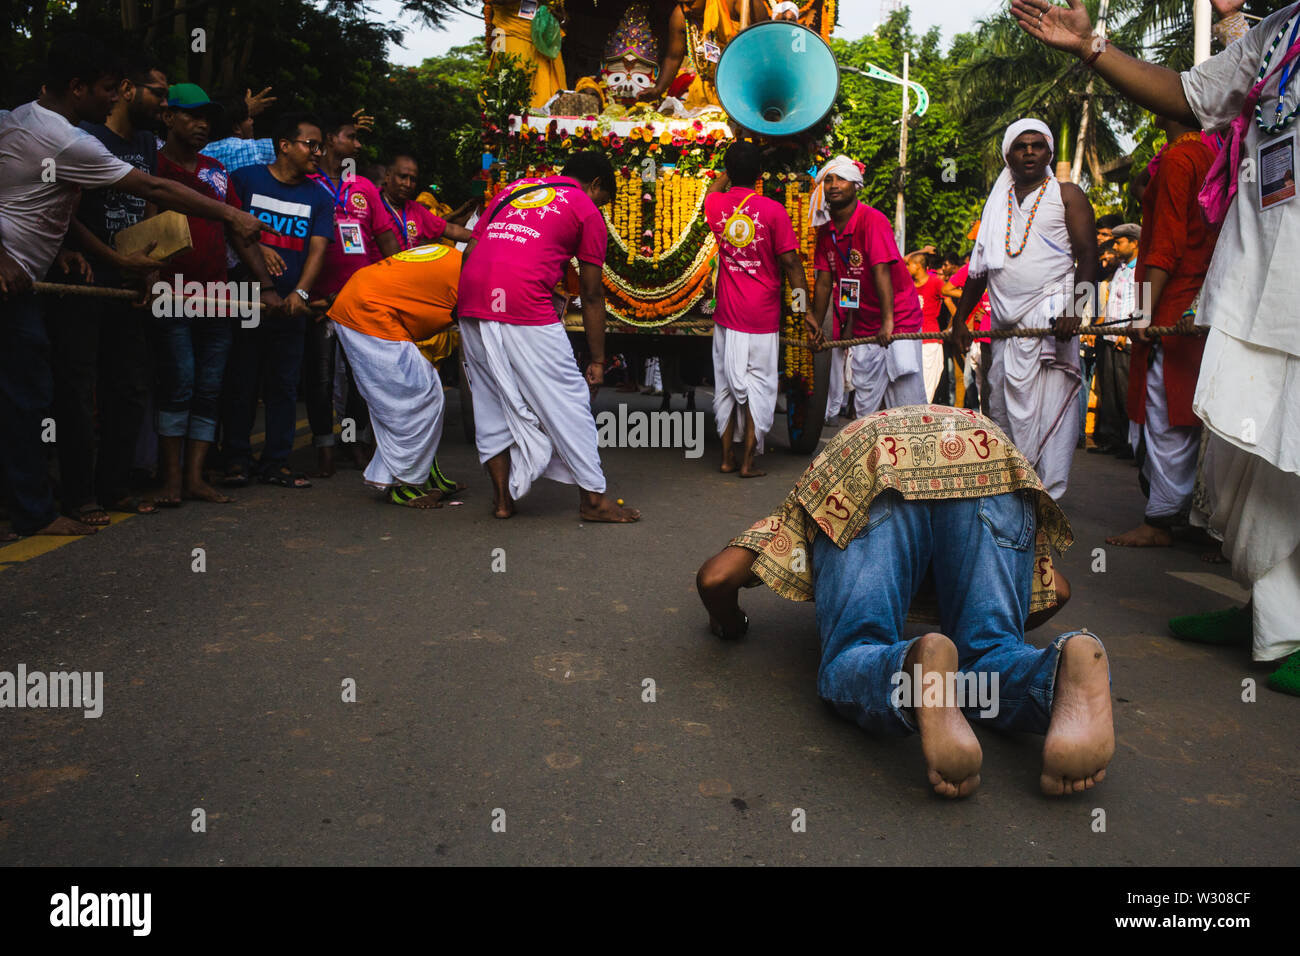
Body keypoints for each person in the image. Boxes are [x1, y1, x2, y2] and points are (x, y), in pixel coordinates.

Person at [1010, 0, 1300, 693]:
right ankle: (1273, 611)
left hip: (1274, 295)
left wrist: (1132, 309)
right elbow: (1191, 92)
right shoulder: (1277, 33)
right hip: (1251, 281)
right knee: (1247, 463)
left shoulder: (1172, 164)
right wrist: (1090, 49)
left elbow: (1140, 250)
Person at [695, 405, 1113, 799]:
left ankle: (914, 667)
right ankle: (1059, 671)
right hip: (988, 454)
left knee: (855, 649)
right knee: (990, 652)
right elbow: (1056, 591)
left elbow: (715, 578)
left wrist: (732, 625)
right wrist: (982, 613)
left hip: (870, 459)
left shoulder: (811, 499)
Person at [0, 33, 266, 539]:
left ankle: (34, 504)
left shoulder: (24, 118)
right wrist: (232, 212)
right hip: (14, 281)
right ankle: (34, 511)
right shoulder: (68, 139)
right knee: (29, 397)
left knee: (29, 395)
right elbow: (154, 188)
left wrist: (115, 259)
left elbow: (64, 220)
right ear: (77, 88)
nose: (117, 95)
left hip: (27, 281)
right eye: (108, 88)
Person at [456, 151, 639, 523]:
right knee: (569, 399)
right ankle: (592, 500)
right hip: (522, 301)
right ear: (597, 185)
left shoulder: (513, 189)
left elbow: (471, 251)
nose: (599, 206)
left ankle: (503, 501)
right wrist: (598, 361)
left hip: (472, 298)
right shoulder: (585, 208)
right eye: (603, 199)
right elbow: (591, 295)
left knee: (489, 402)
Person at [46, 52, 170, 525]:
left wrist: (151, 265)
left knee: (131, 385)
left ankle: (114, 485)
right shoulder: (84, 136)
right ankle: (79, 495)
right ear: (126, 90)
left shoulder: (146, 141)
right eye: (157, 92)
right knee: (77, 387)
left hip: (130, 282)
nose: (164, 103)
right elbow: (66, 213)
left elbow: (152, 202)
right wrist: (109, 258)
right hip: (84, 278)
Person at [953, 120, 1098, 500]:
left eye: (1038, 145)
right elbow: (979, 270)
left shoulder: (1066, 195)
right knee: (1002, 405)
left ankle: (1047, 493)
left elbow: (1088, 257)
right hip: (1005, 326)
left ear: (1049, 153)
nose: (1030, 151)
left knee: (1050, 410)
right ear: (1009, 154)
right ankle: (1015, 487)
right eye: (1022, 146)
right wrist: (959, 319)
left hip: (1051, 320)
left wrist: (1076, 309)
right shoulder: (996, 204)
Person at [1107, 119, 1220, 548]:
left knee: (1167, 419)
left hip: (1173, 310)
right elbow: (1143, 189)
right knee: (1189, 419)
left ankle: (1160, 521)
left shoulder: (1179, 159)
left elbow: (1166, 246)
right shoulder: (1213, 154)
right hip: (1200, 307)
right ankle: (1193, 518)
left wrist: (1144, 313)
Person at [153, 83, 267, 507]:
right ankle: (170, 480)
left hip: (218, 295)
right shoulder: (153, 167)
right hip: (171, 292)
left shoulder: (216, 170)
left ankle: (196, 478)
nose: (202, 124)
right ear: (168, 117)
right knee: (179, 383)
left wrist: (267, 288)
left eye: (207, 118)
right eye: (192, 115)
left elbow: (241, 233)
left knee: (209, 386)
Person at [221, 113, 335, 490]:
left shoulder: (319, 196)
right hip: (246, 299)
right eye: (310, 144)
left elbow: (317, 249)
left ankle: (276, 462)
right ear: (284, 145)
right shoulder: (246, 179)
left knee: (284, 385)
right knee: (241, 379)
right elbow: (234, 231)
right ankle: (236, 460)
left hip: (292, 307)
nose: (318, 152)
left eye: (320, 146)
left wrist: (300, 294)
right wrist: (264, 280)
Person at [704, 142, 815, 477]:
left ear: (729, 171)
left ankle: (726, 458)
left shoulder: (716, 205)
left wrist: (732, 170)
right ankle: (749, 462)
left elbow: (713, 187)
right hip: (762, 319)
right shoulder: (773, 211)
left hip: (726, 316)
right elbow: (793, 265)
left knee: (725, 384)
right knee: (759, 385)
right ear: (759, 176)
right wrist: (803, 311)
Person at [328, 243, 466, 507]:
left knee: (425, 395)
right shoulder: (475, 276)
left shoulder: (459, 258)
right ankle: (404, 484)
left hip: (367, 302)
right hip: (367, 311)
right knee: (411, 400)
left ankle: (424, 475)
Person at [304, 113, 402, 479]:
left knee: (362, 377)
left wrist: (400, 283)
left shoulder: (362, 186)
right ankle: (324, 447)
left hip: (359, 298)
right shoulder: (307, 181)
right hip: (316, 298)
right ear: (330, 138)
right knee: (321, 375)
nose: (357, 145)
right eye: (351, 137)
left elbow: (387, 240)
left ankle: (353, 443)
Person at [811, 156, 927, 417]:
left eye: (841, 178)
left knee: (908, 404)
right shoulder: (826, 231)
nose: (834, 185)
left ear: (856, 185)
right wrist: (818, 327)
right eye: (828, 179)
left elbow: (880, 272)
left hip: (899, 320)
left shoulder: (871, 220)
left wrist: (888, 323)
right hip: (865, 325)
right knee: (865, 407)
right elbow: (829, 283)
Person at [644, 0, 771, 109]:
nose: (686, 8)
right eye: (682, 3)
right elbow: (673, 58)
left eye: (690, 3)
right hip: (703, 94)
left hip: (743, 90)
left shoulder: (735, 4)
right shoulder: (681, 14)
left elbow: (766, 39)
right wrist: (658, 89)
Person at [1090, 222, 1139, 458]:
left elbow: (1143, 306)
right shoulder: (1120, 269)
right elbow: (1111, 303)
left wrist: (1124, 332)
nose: (1116, 247)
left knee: (1125, 391)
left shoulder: (1141, 270)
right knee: (1108, 390)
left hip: (1125, 339)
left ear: (1134, 243)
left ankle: (1130, 444)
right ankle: (1113, 440)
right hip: (1109, 336)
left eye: (1120, 242)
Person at [380, 153, 473, 250]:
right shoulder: (371, 202)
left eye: (413, 180)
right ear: (387, 176)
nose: (408, 184)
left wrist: (483, 237)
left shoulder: (416, 209)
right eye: (403, 177)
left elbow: (451, 229)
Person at [485, 1, 569, 108]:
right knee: (510, 99)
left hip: (544, 46)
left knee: (547, 104)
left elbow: (560, 12)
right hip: (514, 39)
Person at [907, 252, 947, 403]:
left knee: (928, 383)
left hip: (930, 341)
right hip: (910, 340)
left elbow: (951, 304)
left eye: (909, 264)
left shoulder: (936, 283)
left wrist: (951, 328)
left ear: (918, 266)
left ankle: (922, 418)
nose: (907, 267)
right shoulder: (909, 284)